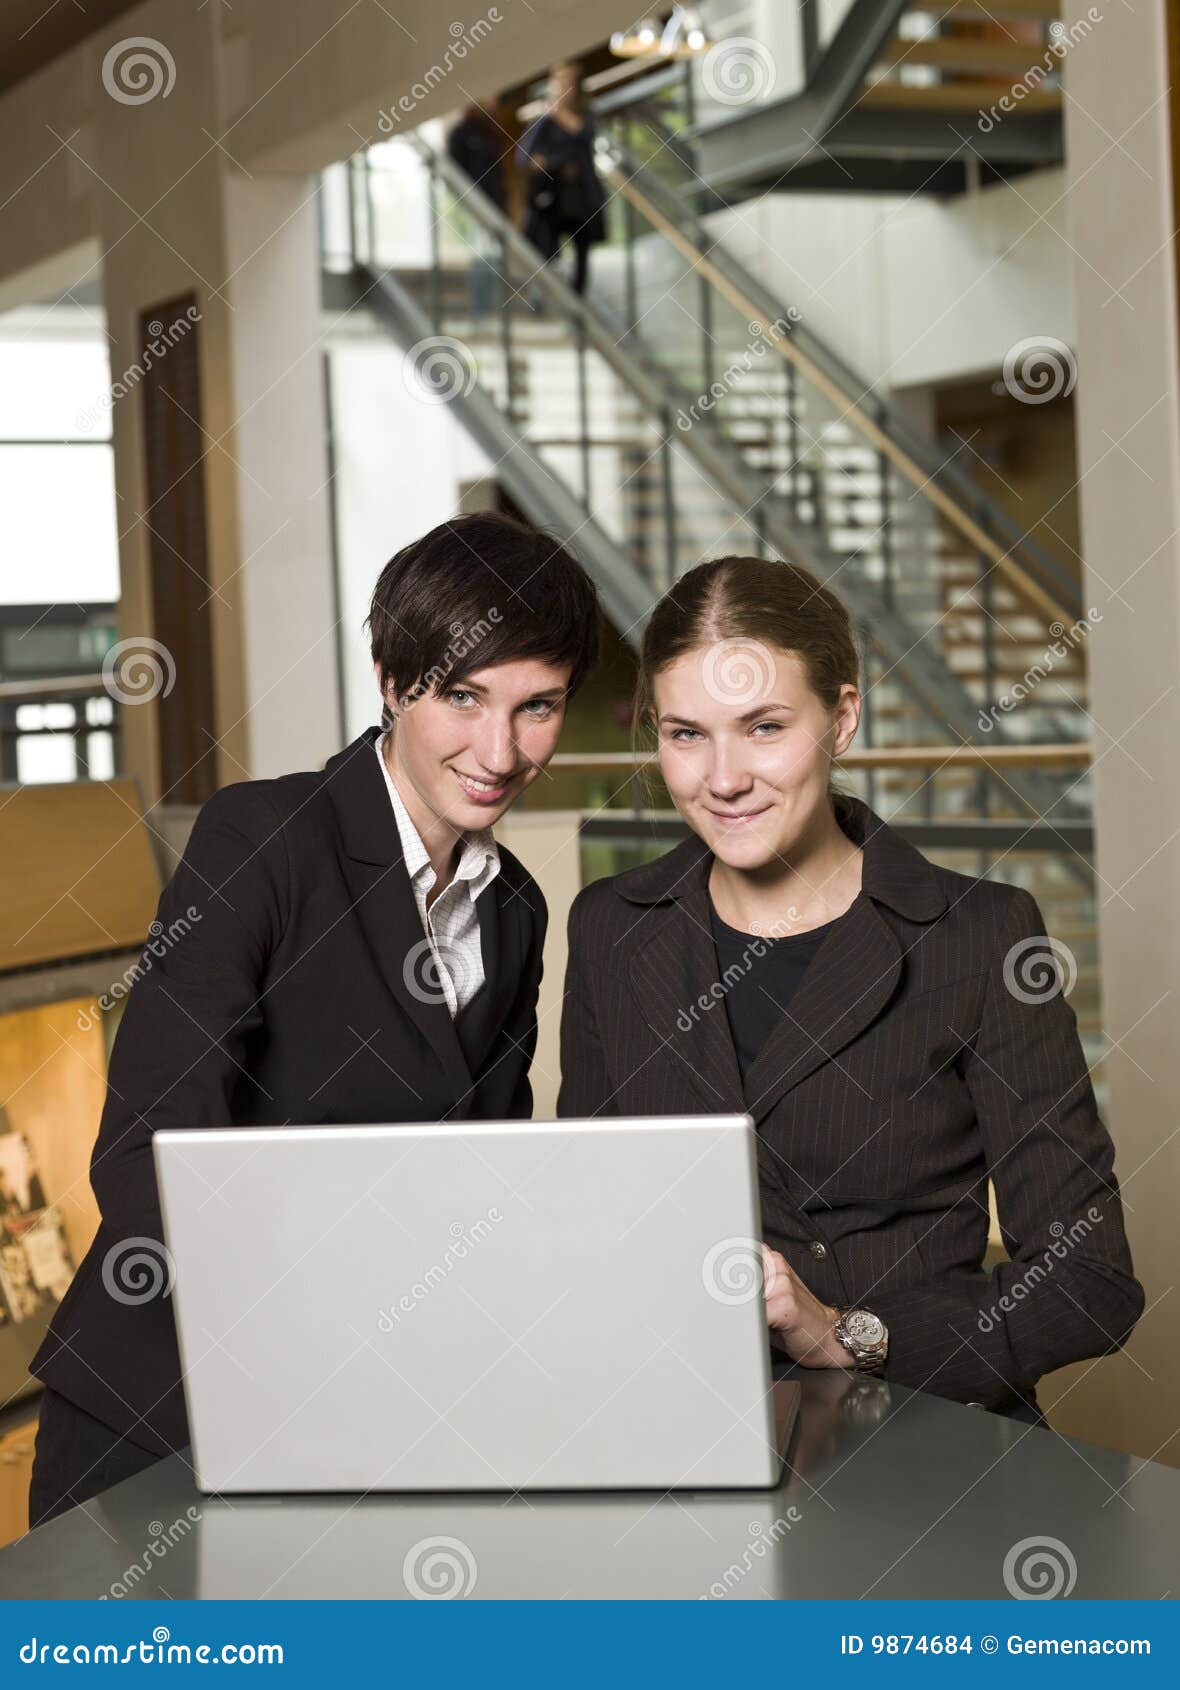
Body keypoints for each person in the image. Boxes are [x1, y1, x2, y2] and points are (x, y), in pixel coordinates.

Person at [29, 511, 600, 1526]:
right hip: (163, 1412)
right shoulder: (265, 835)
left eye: (537, 706)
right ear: (391, 680)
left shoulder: (515, 904)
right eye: (462, 696)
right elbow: (151, 1146)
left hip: (363, 1414)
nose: (499, 748)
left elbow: (484, 1170)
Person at [558, 554, 1144, 1421]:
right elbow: (591, 1228)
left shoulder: (980, 935)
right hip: (681, 1434)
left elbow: (1089, 1279)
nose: (722, 778)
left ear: (843, 719)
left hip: (924, 1445)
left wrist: (848, 1333)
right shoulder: (611, 926)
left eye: (763, 727)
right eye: (687, 734)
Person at [517, 63, 607, 298]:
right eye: (559, 84)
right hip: (552, 199)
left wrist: (557, 111)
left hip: (581, 198)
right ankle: (549, 299)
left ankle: (577, 303)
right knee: (547, 251)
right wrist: (549, 162)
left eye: (567, 84)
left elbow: (584, 134)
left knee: (582, 254)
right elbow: (524, 157)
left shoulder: (584, 114)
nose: (562, 89)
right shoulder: (543, 122)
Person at [445, 99, 509, 316]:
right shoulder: (462, 132)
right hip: (474, 205)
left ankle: (488, 306)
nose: (494, 101)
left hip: (494, 205)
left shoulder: (491, 130)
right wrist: (467, 200)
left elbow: (497, 173)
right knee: (479, 254)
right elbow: (453, 171)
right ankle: (480, 307)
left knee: (491, 255)